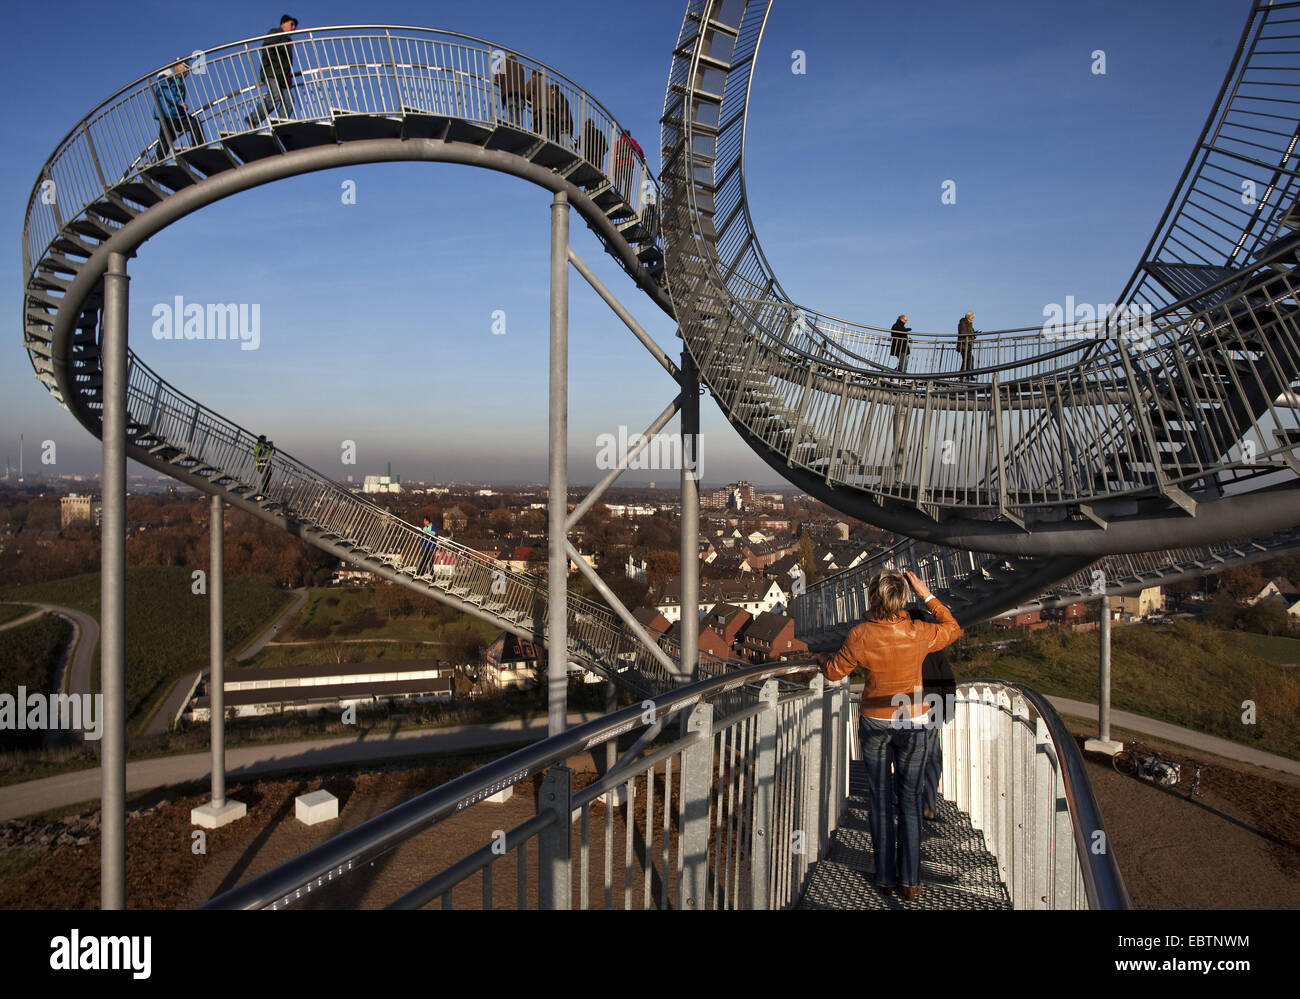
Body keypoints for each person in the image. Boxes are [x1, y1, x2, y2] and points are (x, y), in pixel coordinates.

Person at [819, 569, 962, 901]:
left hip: (876, 721)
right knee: (910, 800)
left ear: (872, 598)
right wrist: (926, 594)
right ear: (902, 598)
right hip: (913, 721)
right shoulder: (918, 632)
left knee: (880, 799)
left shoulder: (861, 634)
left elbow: (834, 672)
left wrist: (820, 658)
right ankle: (911, 881)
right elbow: (954, 628)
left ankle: (884, 875)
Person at [908, 607, 957, 821]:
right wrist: (948, 710)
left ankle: (910, 803)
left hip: (906, 712)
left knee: (911, 759)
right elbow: (947, 679)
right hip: (932, 711)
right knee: (932, 759)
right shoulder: (934, 647)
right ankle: (928, 805)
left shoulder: (903, 647)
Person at [246, 14, 298, 127]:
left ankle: (279, 123)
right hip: (272, 72)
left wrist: (287, 76)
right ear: (283, 23)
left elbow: (286, 63)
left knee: (289, 101)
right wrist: (275, 66)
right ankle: (253, 118)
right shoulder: (276, 32)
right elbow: (267, 48)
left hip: (283, 77)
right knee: (275, 96)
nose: (293, 28)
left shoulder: (288, 41)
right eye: (292, 24)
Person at [151, 58, 204, 160]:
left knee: (194, 123)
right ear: (177, 66)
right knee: (166, 138)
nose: (187, 72)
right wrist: (179, 102)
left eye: (188, 69)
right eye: (185, 68)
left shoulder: (179, 80)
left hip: (178, 114)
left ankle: (198, 147)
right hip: (167, 114)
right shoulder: (166, 76)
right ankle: (157, 161)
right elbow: (166, 91)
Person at [495, 52, 528, 128]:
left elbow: (498, 79)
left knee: (511, 113)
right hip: (521, 95)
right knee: (519, 115)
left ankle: (513, 129)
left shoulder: (503, 64)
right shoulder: (520, 67)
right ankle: (520, 130)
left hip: (509, 92)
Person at [614, 128, 644, 204]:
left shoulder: (618, 143)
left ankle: (616, 198)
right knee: (628, 183)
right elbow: (639, 149)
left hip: (618, 165)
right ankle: (626, 200)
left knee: (618, 183)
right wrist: (643, 158)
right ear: (629, 135)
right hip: (628, 164)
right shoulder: (631, 141)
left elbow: (614, 154)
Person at [252, 435, 275, 499]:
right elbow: (259, 453)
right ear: (261, 440)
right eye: (264, 440)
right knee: (264, 479)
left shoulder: (267, 446)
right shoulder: (257, 446)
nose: (265, 441)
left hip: (268, 465)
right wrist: (263, 446)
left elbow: (273, 453)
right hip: (261, 465)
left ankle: (265, 493)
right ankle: (262, 493)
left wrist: (272, 447)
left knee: (267, 479)